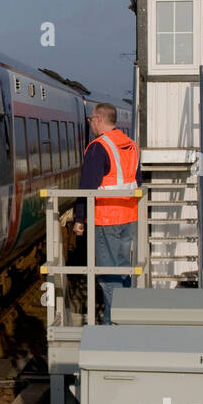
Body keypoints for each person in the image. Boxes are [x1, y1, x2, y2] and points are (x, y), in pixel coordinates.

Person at [73, 102, 139, 323]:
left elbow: (87, 186)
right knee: (122, 270)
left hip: (106, 218)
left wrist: (79, 218)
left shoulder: (98, 146)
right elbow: (136, 181)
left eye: (91, 119)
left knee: (107, 276)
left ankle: (114, 325)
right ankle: (127, 317)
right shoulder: (131, 145)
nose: (90, 123)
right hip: (129, 216)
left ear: (99, 120)